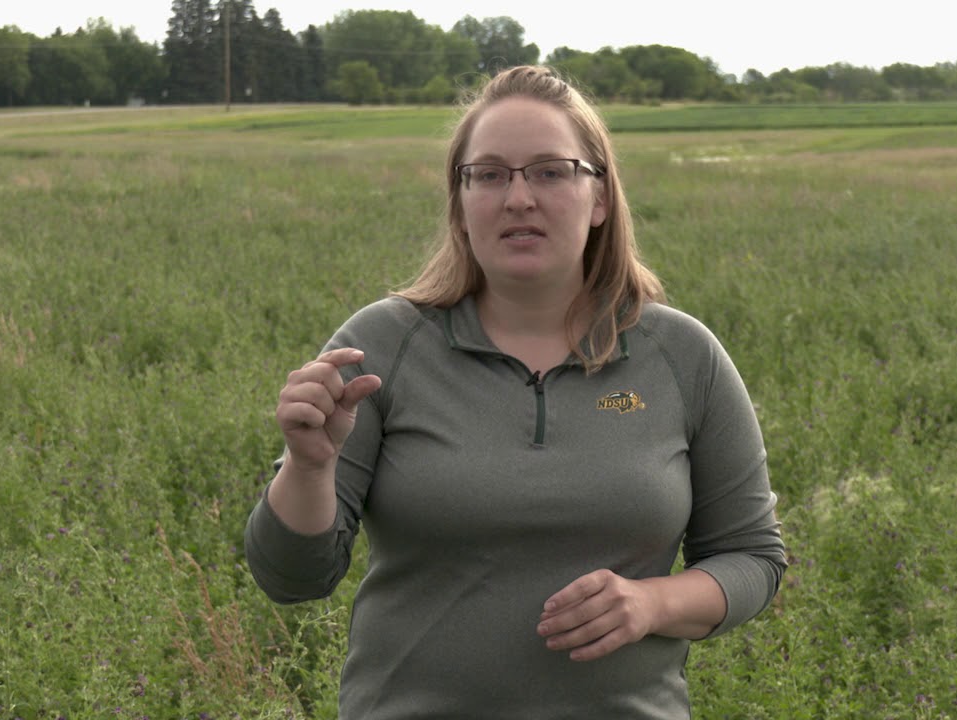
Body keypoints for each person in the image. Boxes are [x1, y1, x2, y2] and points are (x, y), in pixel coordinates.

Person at [244, 65, 786, 719]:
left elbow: (752, 559)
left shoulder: (683, 357)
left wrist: (654, 604)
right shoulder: (380, 348)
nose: (518, 197)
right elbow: (291, 579)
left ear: (601, 197)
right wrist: (309, 466)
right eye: (490, 174)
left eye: (551, 171)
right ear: (461, 202)